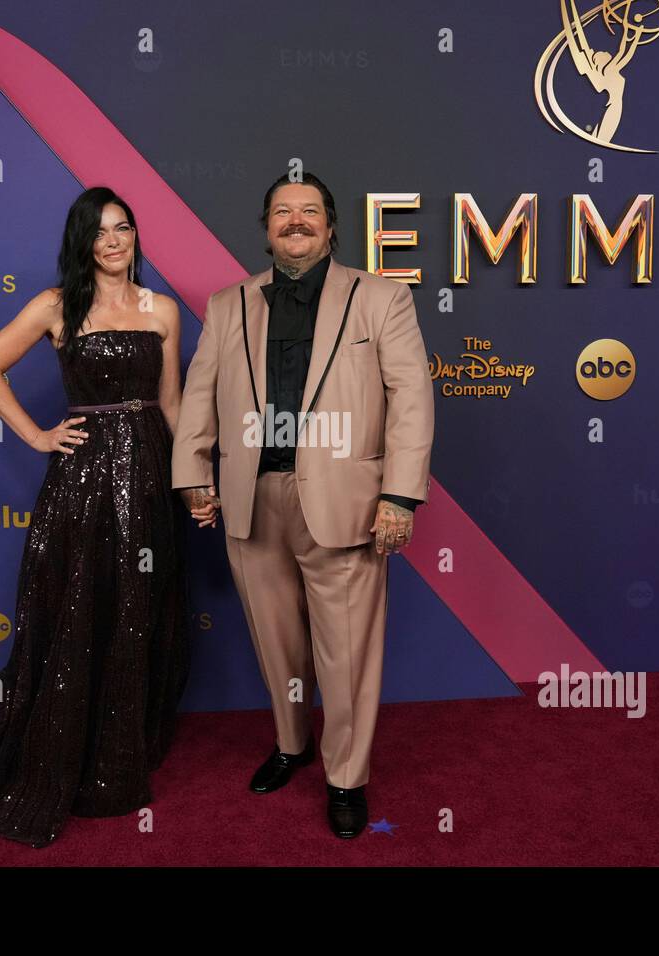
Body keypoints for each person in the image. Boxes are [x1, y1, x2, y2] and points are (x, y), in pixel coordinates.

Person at [0, 187, 191, 848]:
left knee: (138, 609)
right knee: (79, 612)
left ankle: (118, 761)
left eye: (123, 228)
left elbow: (170, 404)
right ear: (82, 242)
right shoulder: (56, 306)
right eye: (99, 231)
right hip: (80, 484)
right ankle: (65, 754)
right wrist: (35, 435)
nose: (113, 241)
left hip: (148, 481)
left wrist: (194, 481)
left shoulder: (163, 310)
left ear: (137, 236)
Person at [172, 172, 434, 838]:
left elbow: (411, 399)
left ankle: (346, 777)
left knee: (345, 651)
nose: (297, 221)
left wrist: (399, 496)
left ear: (332, 225)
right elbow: (199, 394)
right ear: (265, 228)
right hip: (250, 498)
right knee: (276, 641)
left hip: (346, 501)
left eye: (309, 211)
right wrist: (193, 475)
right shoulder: (228, 303)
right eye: (283, 212)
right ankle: (291, 745)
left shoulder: (382, 298)